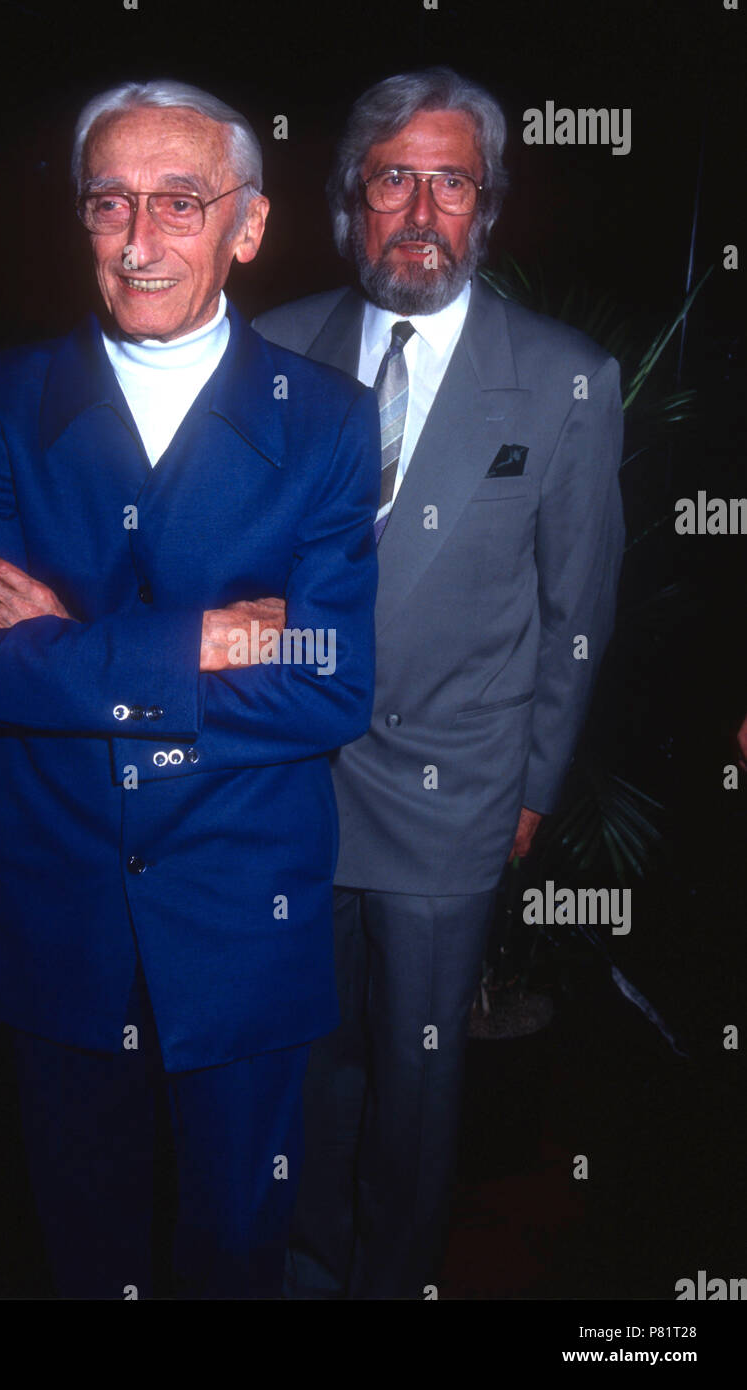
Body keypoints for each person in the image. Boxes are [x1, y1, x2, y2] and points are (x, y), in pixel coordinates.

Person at [0, 78, 380, 1300]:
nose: (140, 242)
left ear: (249, 225)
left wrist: (71, 644)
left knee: (235, 1245)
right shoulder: (1, 403)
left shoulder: (332, 420)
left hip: (244, 919)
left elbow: (330, 684)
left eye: (182, 203)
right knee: (84, 1244)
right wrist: (201, 642)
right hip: (55, 911)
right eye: (110, 203)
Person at [254, 65, 626, 1299]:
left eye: (450, 180)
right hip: (292, 785)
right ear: (352, 202)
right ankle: (306, 1270)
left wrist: (532, 783)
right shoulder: (272, 347)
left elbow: (578, 606)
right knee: (306, 1065)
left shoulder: (570, 378)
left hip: (452, 795)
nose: (421, 208)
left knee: (416, 1092)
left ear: (488, 206)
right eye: (393, 177)